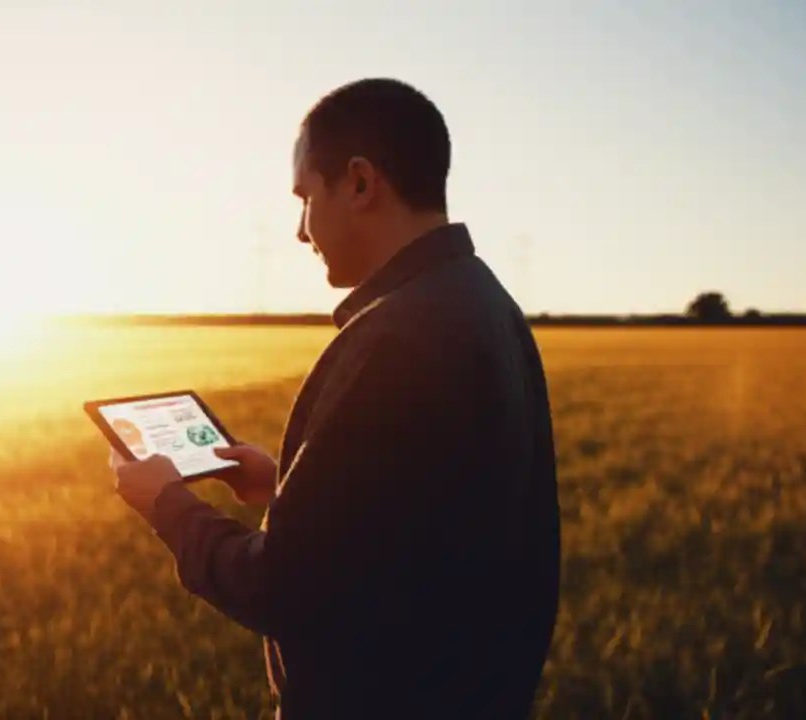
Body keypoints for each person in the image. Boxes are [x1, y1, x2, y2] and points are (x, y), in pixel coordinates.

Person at [110, 78, 560, 719]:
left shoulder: (398, 336)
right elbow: (432, 524)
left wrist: (167, 505)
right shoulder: (482, 300)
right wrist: (287, 489)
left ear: (358, 183)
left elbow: (284, 587)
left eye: (304, 198)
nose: (299, 231)